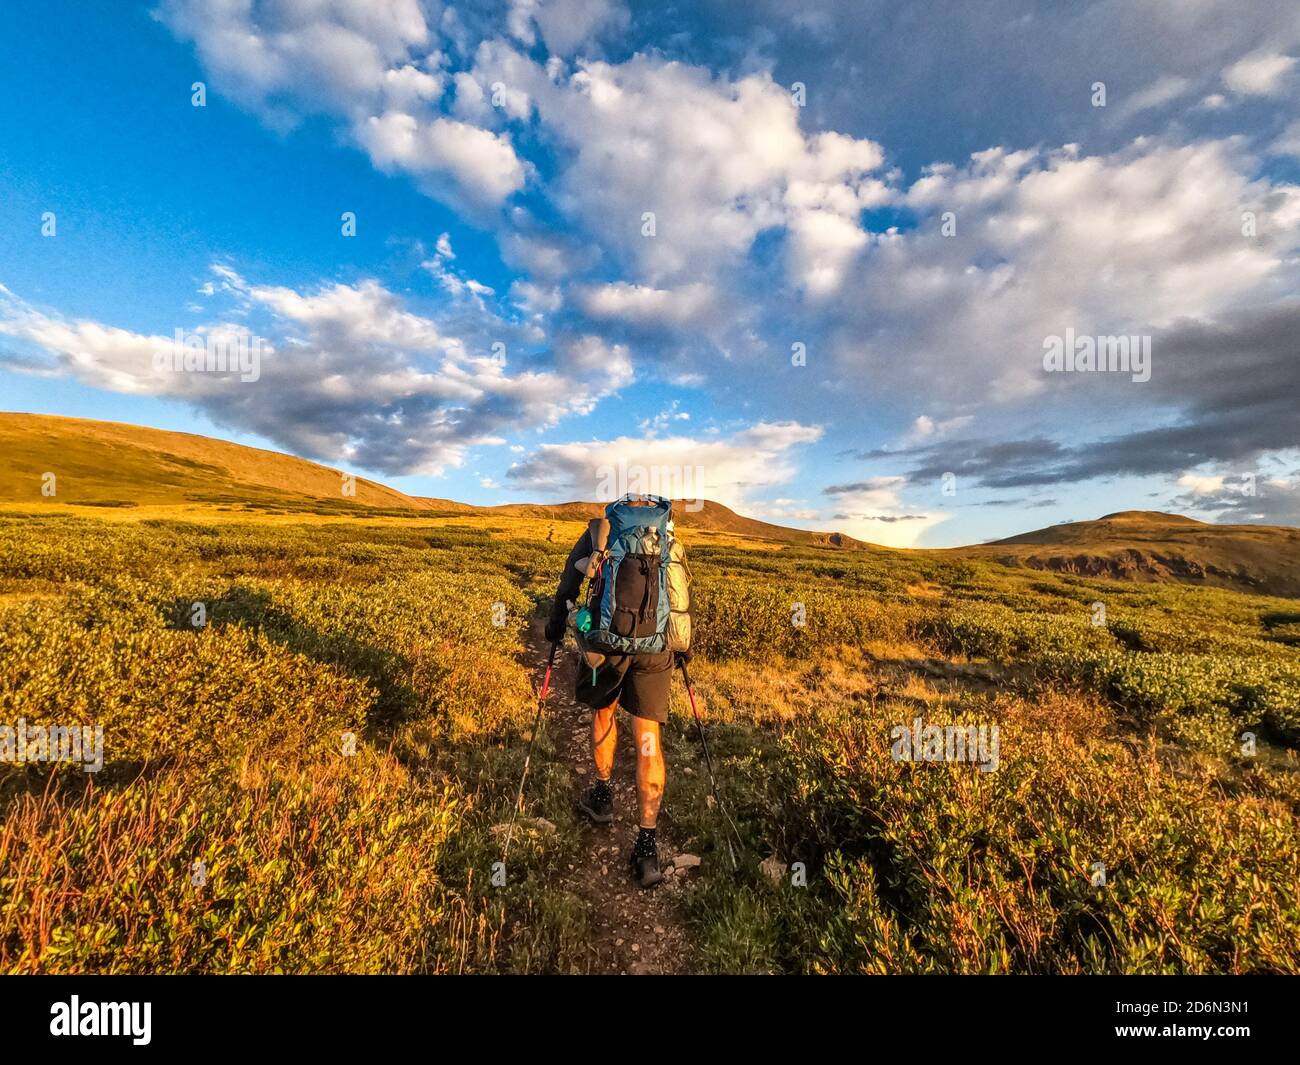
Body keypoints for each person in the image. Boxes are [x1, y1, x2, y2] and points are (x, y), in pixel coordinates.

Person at [544, 498, 692, 888]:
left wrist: (556, 625)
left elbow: (568, 583)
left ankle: (604, 796)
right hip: (656, 646)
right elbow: (678, 594)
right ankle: (646, 847)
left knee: (604, 714)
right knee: (647, 739)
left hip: (607, 645)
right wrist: (682, 646)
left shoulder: (602, 532)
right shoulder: (665, 537)